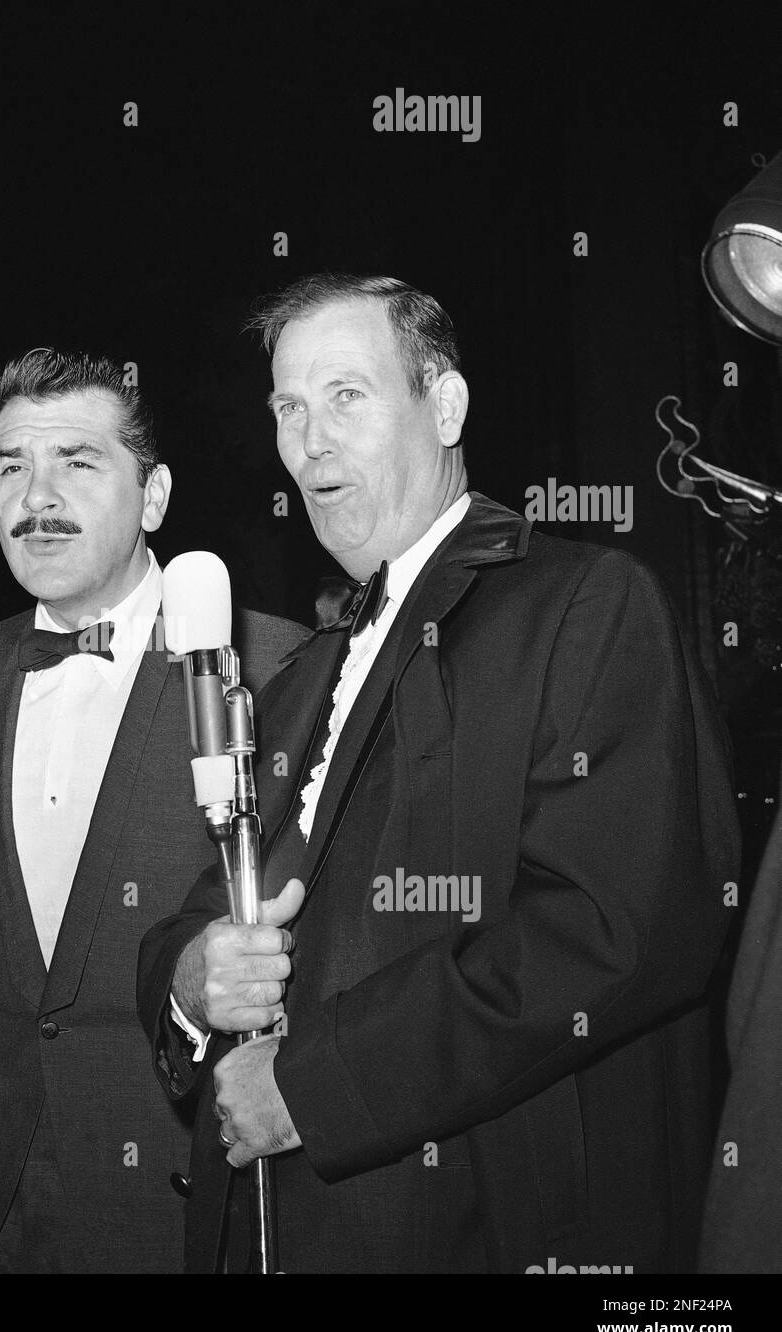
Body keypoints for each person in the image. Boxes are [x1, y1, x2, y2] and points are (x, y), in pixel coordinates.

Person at [137, 274, 741, 1274]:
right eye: (288, 407)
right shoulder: (296, 680)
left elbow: (615, 930)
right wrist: (191, 983)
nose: (311, 440)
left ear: (445, 406)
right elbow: (205, 904)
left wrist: (314, 1086)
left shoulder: (585, 604)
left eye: (346, 396)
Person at [0, 348, 306, 1273]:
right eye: (11, 465)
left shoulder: (278, 661)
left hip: (185, 1191)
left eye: (78, 461)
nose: (36, 494)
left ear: (154, 496)